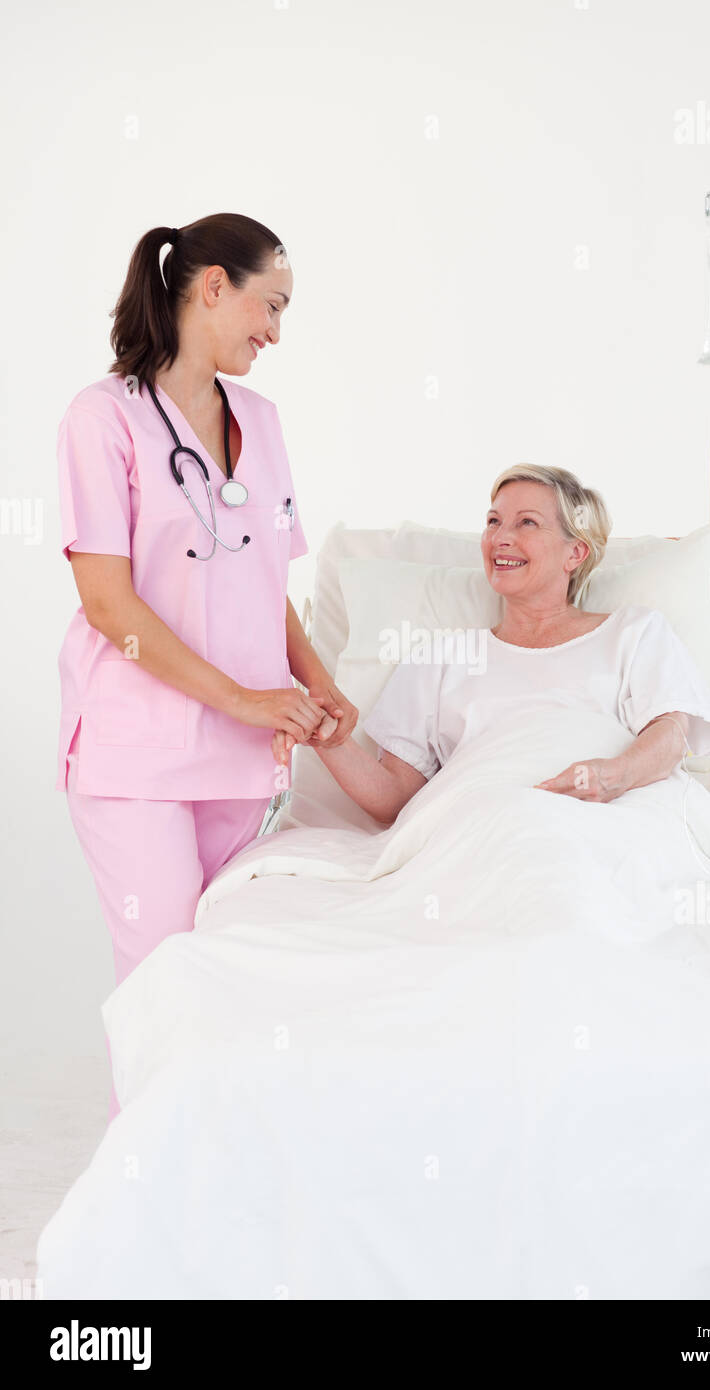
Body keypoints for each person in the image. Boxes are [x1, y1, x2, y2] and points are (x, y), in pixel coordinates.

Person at [57, 212, 358, 1124]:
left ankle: (208, 1194)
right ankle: (139, 1212)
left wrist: (319, 683)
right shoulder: (101, 418)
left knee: (226, 978)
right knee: (161, 982)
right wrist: (247, 699)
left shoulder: (260, 422)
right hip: (138, 756)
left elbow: (266, 583)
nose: (276, 331)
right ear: (212, 286)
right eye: (270, 305)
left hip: (242, 757)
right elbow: (111, 608)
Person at [278, 466, 710, 844]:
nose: (501, 538)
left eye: (526, 523)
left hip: (610, 825)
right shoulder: (442, 659)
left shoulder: (632, 634)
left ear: (575, 552)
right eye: (493, 522)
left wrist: (614, 775)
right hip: (487, 833)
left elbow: (672, 737)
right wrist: (331, 742)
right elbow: (394, 800)